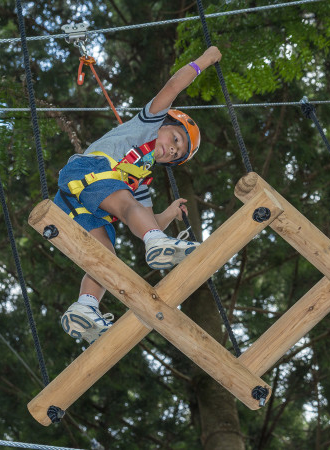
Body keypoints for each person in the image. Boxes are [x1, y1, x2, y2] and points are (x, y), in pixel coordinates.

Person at [56, 46, 222, 344]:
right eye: (174, 138)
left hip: (77, 204)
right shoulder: (149, 122)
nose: (172, 148)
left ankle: (85, 307)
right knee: (132, 211)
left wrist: (168, 215)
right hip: (88, 171)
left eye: (177, 152)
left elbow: (143, 219)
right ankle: (157, 243)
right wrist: (204, 61)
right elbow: (174, 86)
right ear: (165, 123)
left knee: (105, 256)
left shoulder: (139, 182)